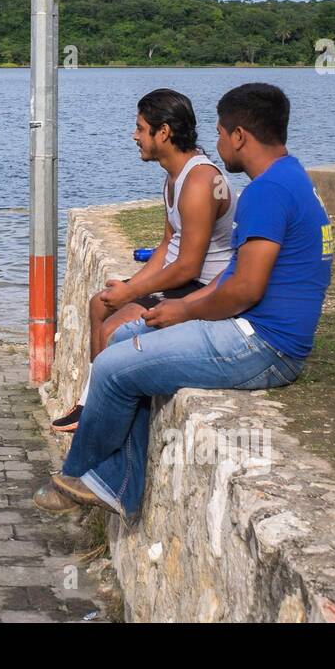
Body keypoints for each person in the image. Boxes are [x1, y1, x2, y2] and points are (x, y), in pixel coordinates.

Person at [34, 83, 333, 516]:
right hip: (254, 328)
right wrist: (173, 313)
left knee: (117, 368)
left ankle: (81, 476)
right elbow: (233, 276)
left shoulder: (267, 193)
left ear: (239, 136)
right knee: (124, 341)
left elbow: (244, 290)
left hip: (265, 344)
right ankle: (117, 483)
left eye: (220, 132)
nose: (216, 143)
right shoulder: (288, 177)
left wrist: (185, 308)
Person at [51, 88, 235, 432]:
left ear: (163, 132)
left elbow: (188, 266)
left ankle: (104, 422)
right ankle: (90, 402)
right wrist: (129, 288)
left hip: (204, 288)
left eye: (140, 128)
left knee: (113, 328)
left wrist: (131, 292)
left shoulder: (200, 181)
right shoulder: (174, 178)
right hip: (183, 281)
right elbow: (167, 247)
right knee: (99, 304)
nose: (134, 136)